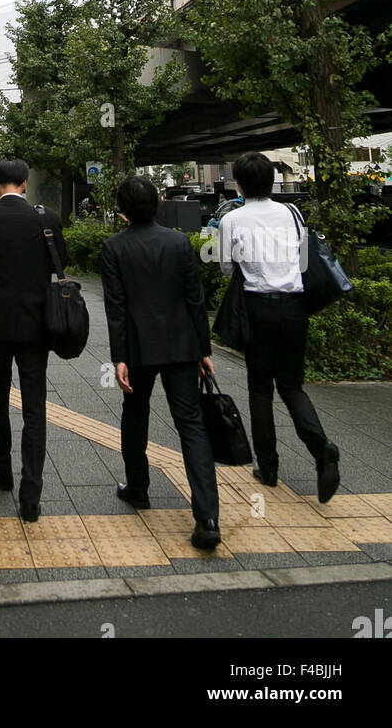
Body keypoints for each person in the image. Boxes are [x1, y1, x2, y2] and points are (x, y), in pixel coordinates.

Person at [100, 175, 221, 550]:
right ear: (156, 205)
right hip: (182, 346)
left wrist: (118, 358)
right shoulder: (179, 242)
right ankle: (208, 517)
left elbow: (116, 310)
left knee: (135, 415)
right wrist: (203, 349)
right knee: (191, 425)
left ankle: (138, 489)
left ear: (121, 211)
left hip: (138, 348)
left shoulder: (114, 248)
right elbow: (195, 300)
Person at [219, 152, 340, 502]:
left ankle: (268, 467)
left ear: (239, 185)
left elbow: (227, 269)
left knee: (260, 388)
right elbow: (302, 260)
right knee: (292, 385)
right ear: (272, 180)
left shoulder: (233, 219)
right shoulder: (292, 212)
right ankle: (322, 448)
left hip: (257, 307)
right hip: (294, 307)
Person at [0, 158, 67, 522]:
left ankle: (1, 469)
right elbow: (60, 264)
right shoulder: (46, 218)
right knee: (35, 403)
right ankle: (31, 495)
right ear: (23, 184)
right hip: (37, 324)